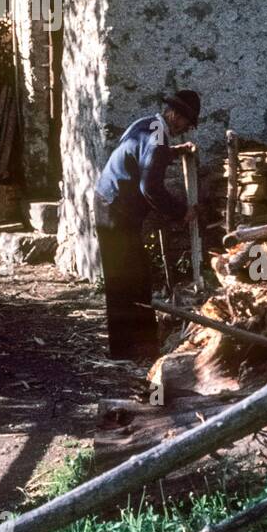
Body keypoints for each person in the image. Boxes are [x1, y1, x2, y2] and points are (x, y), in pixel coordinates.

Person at [93, 90, 201, 361]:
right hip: (116, 210)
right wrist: (181, 212)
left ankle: (133, 347)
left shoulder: (147, 124)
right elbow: (150, 187)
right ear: (175, 116)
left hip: (109, 202)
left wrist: (173, 152)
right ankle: (132, 350)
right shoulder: (158, 138)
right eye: (187, 124)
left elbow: (139, 154)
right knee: (129, 279)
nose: (186, 129)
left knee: (132, 277)